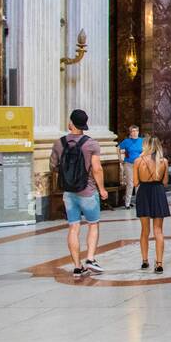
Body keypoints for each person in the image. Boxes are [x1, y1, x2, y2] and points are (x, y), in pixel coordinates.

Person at [50, 109, 107, 277]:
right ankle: (90, 258)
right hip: (88, 191)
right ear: (84, 125)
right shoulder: (91, 144)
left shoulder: (59, 143)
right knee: (93, 224)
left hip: (68, 192)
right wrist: (102, 189)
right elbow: (97, 169)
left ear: (70, 124)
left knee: (73, 227)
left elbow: (53, 166)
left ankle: (76, 266)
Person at [134, 135, 170, 272]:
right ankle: (159, 263)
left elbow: (136, 183)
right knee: (158, 231)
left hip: (143, 193)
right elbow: (165, 182)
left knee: (144, 230)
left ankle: (144, 261)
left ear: (146, 145)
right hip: (158, 192)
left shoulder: (138, 161)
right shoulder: (164, 161)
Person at [119, 124, 143, 208]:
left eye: (136, 131)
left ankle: (139, 201)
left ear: (138, 132)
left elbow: (146, 150)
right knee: (130, 183)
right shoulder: (126, 141)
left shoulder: (142, 141)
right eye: (132, 131)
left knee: (138, 183)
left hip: (139, 164)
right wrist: (120, 158)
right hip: (129, 164)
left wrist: (142, 156)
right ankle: (127, 203)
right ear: (130, 132)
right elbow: (119, 148)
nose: (134, 133)